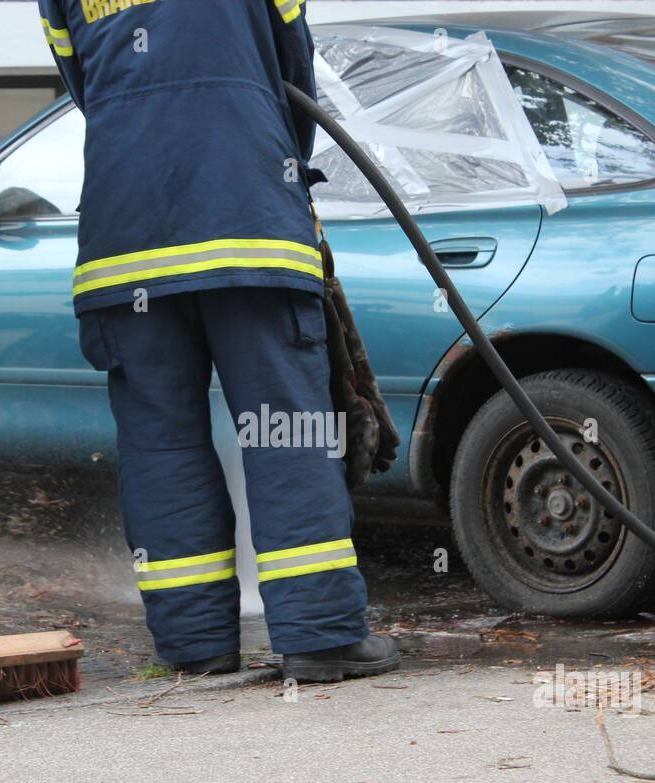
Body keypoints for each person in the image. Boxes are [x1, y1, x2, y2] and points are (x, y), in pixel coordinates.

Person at [36, 0, 399, 681]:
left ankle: (195, 643)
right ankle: (317, 636)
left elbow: (85, 83)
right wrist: (263, 151)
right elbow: (292, 62)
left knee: (159, 443)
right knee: (284, 430)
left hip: (127, 238)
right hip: (246, 221)